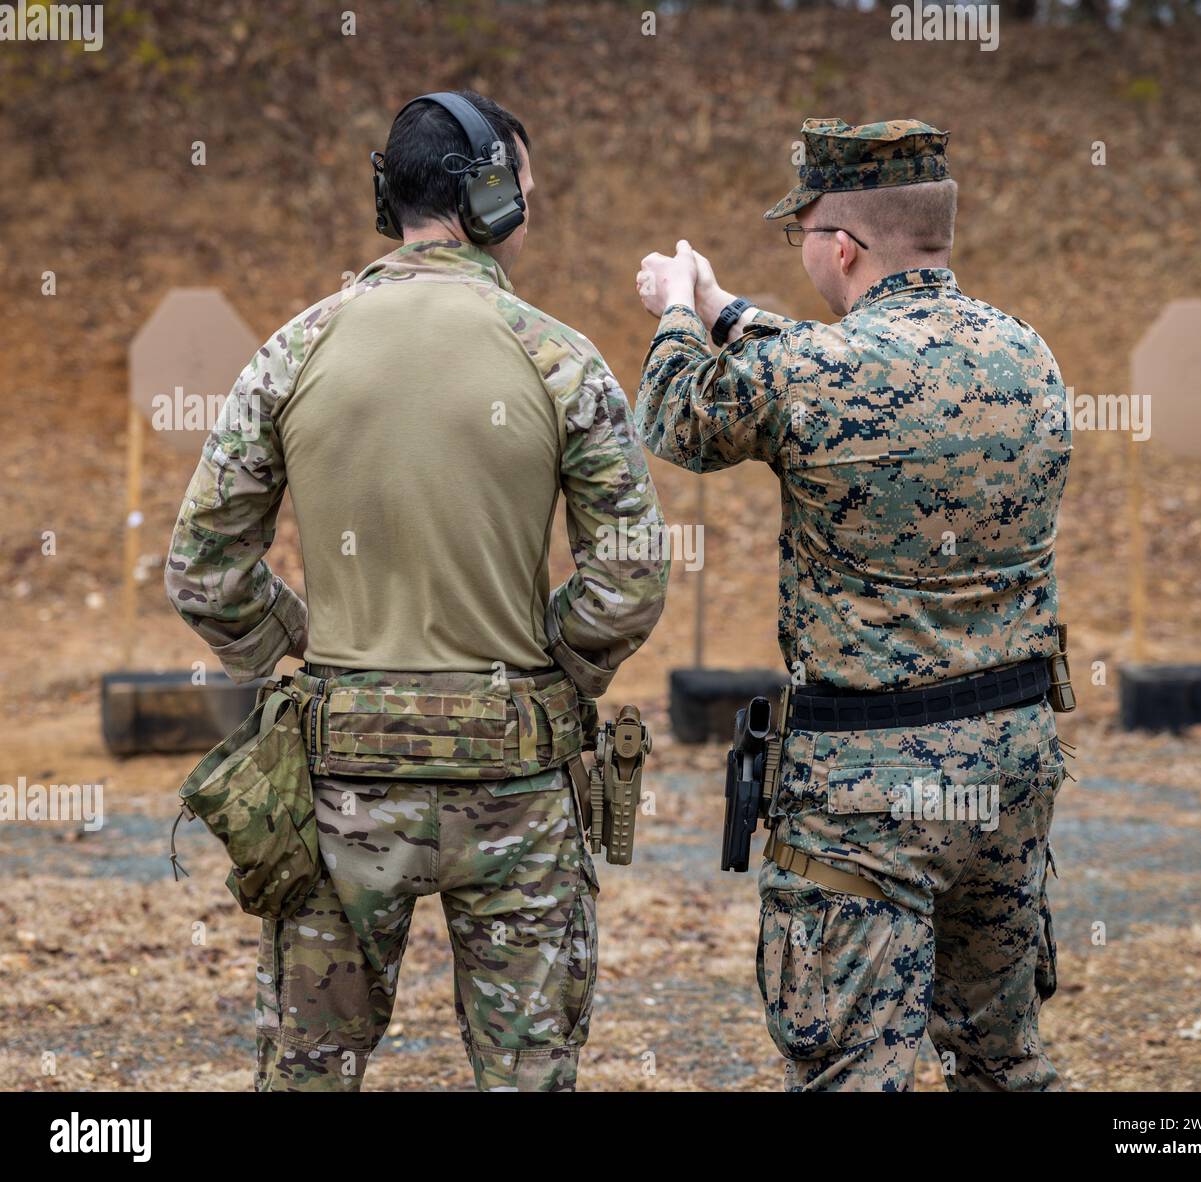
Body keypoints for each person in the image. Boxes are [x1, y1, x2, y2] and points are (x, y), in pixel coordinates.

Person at [166, 90, 669, 1091]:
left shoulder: (293, 353)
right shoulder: (559, 360)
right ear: (493, 199)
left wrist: (313, 653)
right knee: (529, 1078)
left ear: (385, 194)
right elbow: (629, 577)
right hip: (514, 786)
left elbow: (204, 568)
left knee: (310, 1072)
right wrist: (546, 664)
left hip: (341, 781)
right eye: (526, 186)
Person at [633, 118, 1071, 1091]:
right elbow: (868, 372)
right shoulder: (1026, 355)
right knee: (1001, 1063)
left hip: (866, 799)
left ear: (840, 245)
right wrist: (723, 309)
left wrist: (672, 311)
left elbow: (675, 416)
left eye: (802, 234)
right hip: (1009, 769)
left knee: (852, 1074)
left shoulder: (817, 372)